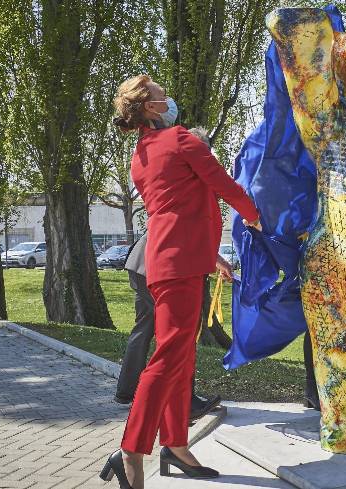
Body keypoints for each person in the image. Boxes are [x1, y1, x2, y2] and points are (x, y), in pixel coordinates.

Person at [100, 74, 261, 489]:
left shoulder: (142, 155)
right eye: (159, 93)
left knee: (181, 355)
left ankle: (175, 444)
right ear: (150, 108)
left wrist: (214, 257)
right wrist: (261, 220)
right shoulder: (182, 140)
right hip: (180, 266)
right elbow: (225, 187)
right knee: (169, 355)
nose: (166, 96)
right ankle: (131, 451)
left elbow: (182, 211)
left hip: (171, 261)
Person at [113, 231, 223, 421]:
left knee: (144, 329)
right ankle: (184, 402)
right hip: (160, 268)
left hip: (142, 263)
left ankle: (127, 391)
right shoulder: (199, 202)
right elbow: (193, 237)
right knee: (179, 334)